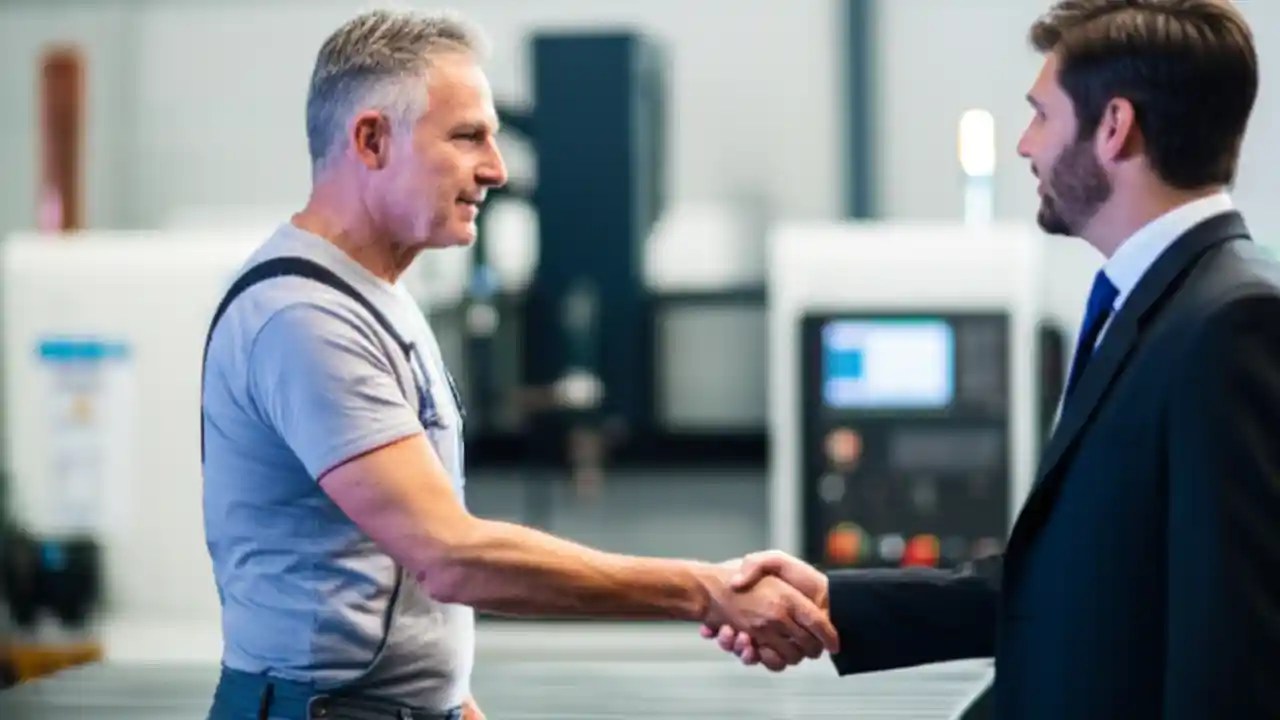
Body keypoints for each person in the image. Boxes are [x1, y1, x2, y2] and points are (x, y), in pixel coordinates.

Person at [200, 9, 837, 720]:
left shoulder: (374, 296)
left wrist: (449, 701)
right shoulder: (304, 318)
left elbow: (397, 573)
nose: (497, 169)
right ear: (372, 139)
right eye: (468, 136)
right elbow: (451, 555)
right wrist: (707, 588)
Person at [704, 1, 1280, 717]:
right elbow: (1079, 581)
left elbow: (1233, 654)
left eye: (1041, 114)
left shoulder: (1234, 324)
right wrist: (832, 597)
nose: (1025, 146)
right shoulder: (1156, 308)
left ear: (1113, 128)